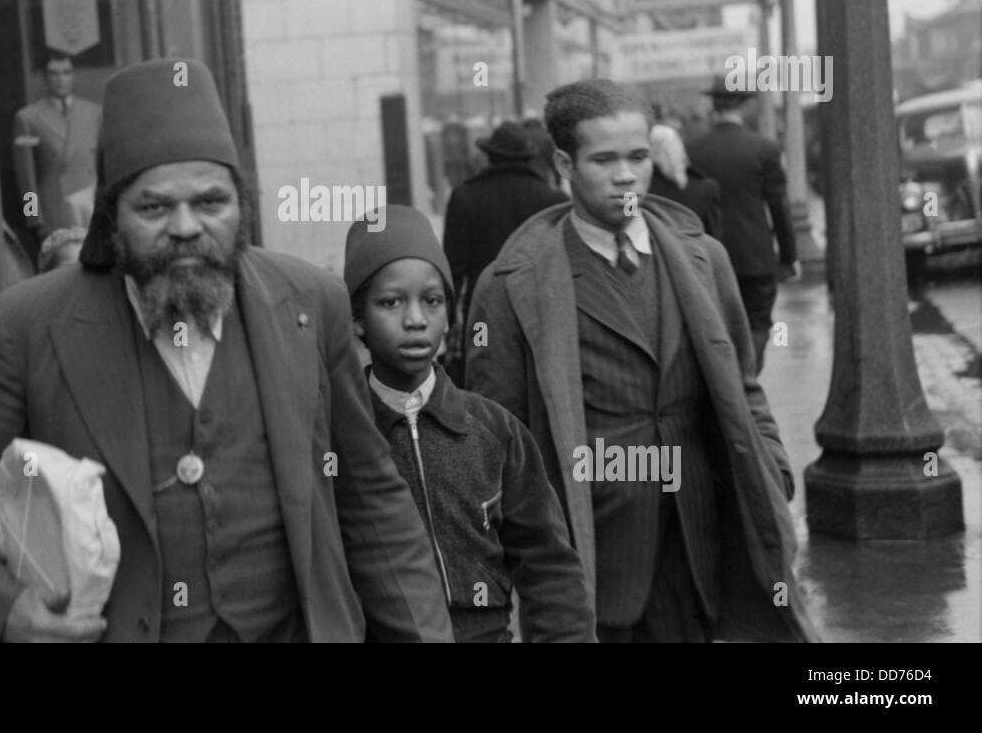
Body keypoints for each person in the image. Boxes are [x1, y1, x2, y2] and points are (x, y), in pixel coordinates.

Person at [0, 57, 453, 643]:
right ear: (112, 217)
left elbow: (369, 495)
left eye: (211, 202)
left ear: (242, 206)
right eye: (155, 207)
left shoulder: (310, 305)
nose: (187, 226)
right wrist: (3, 608)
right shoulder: (27, 325)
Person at [467, 78, 816, 643]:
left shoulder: (704, 260)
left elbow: (742, 385)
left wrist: (771, 467)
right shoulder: (511, 287)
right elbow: (494, 441)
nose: (626, 175)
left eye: (638, 156)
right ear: (564, 163)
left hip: (700, 544)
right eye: (604, 160)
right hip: (591, 562)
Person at [344, 206, 593, 643]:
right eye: (391, 302)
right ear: (357, 319)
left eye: (432, 300)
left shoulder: (495, 430)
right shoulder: (342, 440)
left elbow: (548, 564)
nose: (416, 319)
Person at [441, 121, 567, 385]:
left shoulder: (464, 197)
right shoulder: (553, 201)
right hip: (538, 315)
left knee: (481, 379)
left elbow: (452, 271)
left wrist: (448, 324)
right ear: (529, 157)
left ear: (490, 156)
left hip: (481, 319)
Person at [686, 81, 799, 373]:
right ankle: (747, 377)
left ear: (714, 106)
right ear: (743, 105)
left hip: (707, 254)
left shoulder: (692, 150)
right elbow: (779, 207)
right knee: (758, 322)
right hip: (756, 254)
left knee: (718, 325)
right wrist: (788, 257)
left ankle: (729, 381)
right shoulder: (764, 148)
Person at [12, 52, 103, 236]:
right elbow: (26, 178)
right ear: (45, 78)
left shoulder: (94, 112)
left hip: (91, 203)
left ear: (73, 75)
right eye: (54, 73)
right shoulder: (28, 118)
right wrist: (33, 218)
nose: (61, 79)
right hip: (54, 208)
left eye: (66, 72)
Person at [647, 123, 721, 238]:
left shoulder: (631, 192)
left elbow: (626, 226)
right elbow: (714, 234)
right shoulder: (705, 188)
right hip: (694, 253)